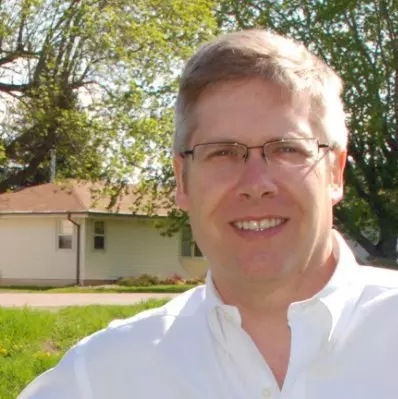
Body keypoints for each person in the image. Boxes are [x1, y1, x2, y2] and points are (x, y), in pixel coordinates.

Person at [19, 29, 398, 399]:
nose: (256, 182)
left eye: (286, 149)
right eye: (223, 152)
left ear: (335, 172)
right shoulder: (106, 374)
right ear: (182, 181)